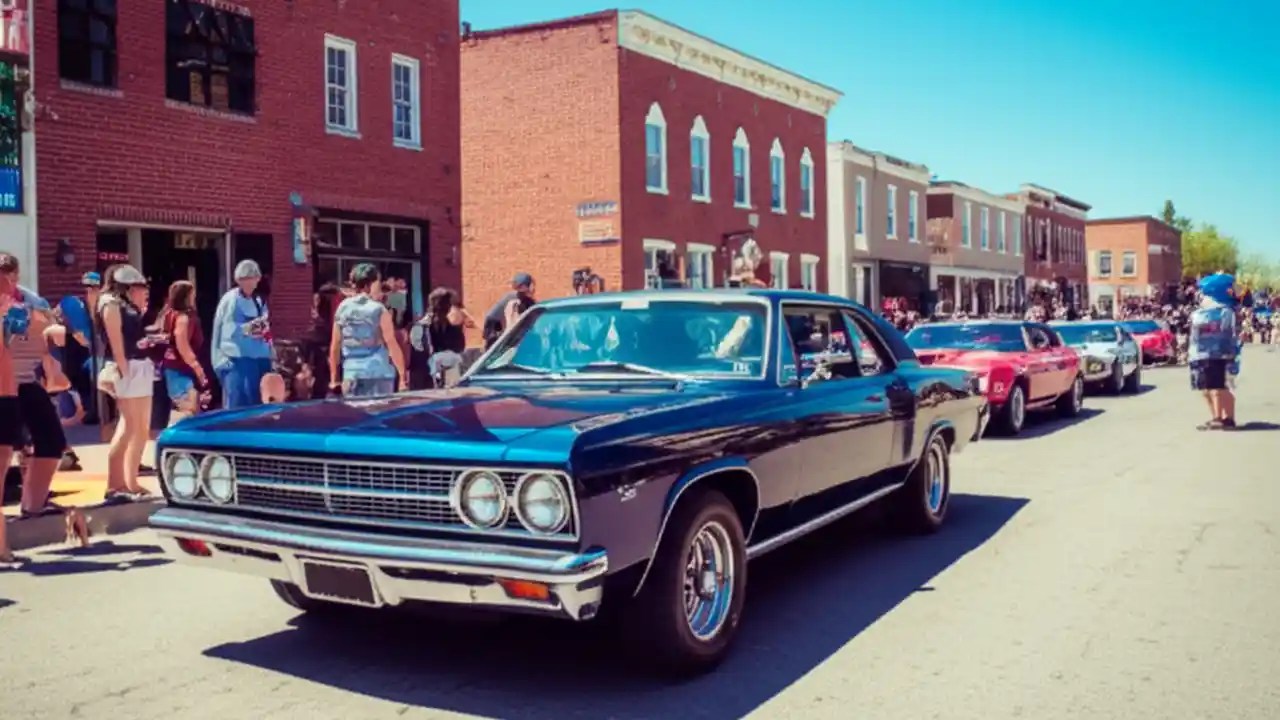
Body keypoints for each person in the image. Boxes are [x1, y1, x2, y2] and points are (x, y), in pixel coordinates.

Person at [0, 252, 89, 547]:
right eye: (4, 276)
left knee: (51, 441)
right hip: (4, 385)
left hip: (28, 381)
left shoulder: (30, 300)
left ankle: (33, 504)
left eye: (12, 275)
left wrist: (54, 331)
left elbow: (51, 327)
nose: (9, 281)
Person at [98, 265, 158, 500]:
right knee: (129, 426)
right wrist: (122, 368)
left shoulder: (126, 305)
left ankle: (130, 482)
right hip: (127, 366)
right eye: (137, 286)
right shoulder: (110, 302)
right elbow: (115, 340)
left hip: (139, 365)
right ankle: (115, 484)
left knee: (141, 428)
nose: (141, 290)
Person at [329, 263, 407, 398]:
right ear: (367, 285)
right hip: (378, 373)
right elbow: (391, 343)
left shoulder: (342, 309)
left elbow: (335, 345)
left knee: (358, 417)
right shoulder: (378, 309)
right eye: (377, 283)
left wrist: (334, 379)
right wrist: (402, 377)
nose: (380, 288)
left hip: (351, 373)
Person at [211, 260, 272, 409]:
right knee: (238, 406)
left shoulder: (258, 301)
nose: (255, 282)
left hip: (259, 360)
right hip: (237, 361)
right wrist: (249, 328)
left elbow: (265, 325)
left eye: (256, 278)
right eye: (250, 278)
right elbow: (229, 331)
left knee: (257, 407)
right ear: (240, 280)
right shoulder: (231, 300)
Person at [1188, 273, 1240, 431]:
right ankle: (1215, 417)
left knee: (1218, 387)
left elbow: (1229, 334)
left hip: (1219, 354)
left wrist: (1232, 354)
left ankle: (1225, 418)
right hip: (1199, 354)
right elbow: (1193, 336)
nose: (1200, 295)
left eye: (1203, 292)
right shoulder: (1196, 314)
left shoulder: (1225, 312)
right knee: (1205, 389)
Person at [160, 281, 208, 416]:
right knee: (187, 411)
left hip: (173, 368)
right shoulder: (183, 318)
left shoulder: (167, 313)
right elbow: (182, 344)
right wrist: (196, 367)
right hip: (180, 369)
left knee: (184, 410)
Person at [408, 287, 471, 389]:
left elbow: (459, 351)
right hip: (425, 386)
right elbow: (419, 362)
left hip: (447, 385)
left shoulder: (452, 329)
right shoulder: (420, 329)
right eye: (451, 306)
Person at [482, 272, 536, 349]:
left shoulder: (529, 302)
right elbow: (491, 317)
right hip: (513, 342)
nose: (534, 288)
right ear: (527, 286)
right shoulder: (511, 298)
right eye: (532, 285)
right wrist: (491, 338)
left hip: (517, 341)